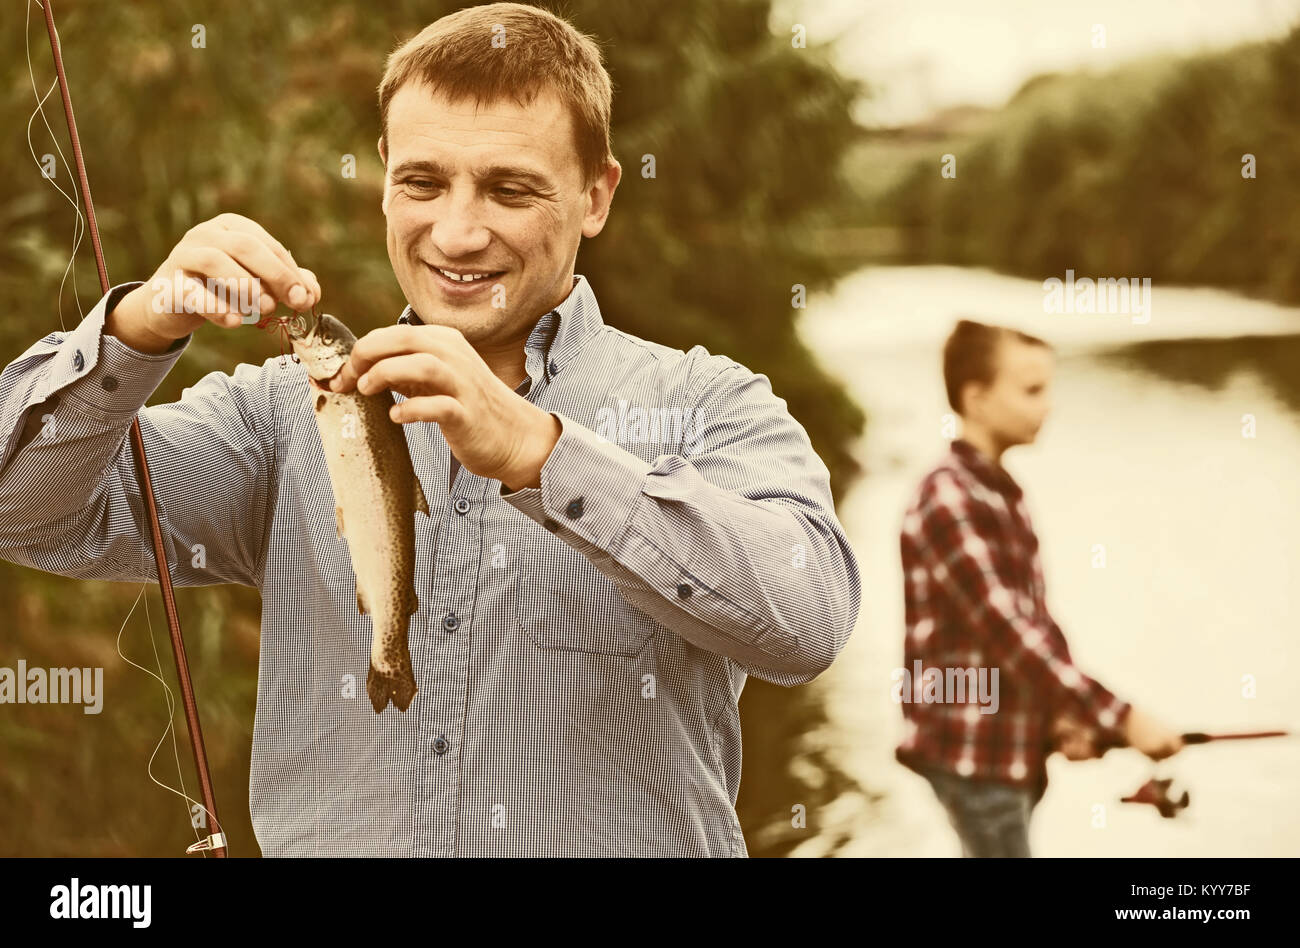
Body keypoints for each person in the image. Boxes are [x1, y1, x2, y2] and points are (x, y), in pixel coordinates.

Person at [0, 3, 860, 856]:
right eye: (422, 183)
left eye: (509, 188)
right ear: (383, 175)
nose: (456, 232)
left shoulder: (708, 403)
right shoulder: (274, 418)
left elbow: (810, 619)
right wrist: (137, 329)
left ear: (596, 196)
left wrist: (542, 456)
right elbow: (24, 513)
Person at [894, 318, 1182, 857]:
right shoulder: (949, 500)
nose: (1047, 405)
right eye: (1031, 390)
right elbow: (1012, 633)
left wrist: (1062, 718)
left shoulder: (1001, 494)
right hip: (972, 753)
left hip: (1006, 746)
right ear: (975, 399)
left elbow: (1035, 627)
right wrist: (1123, 717)